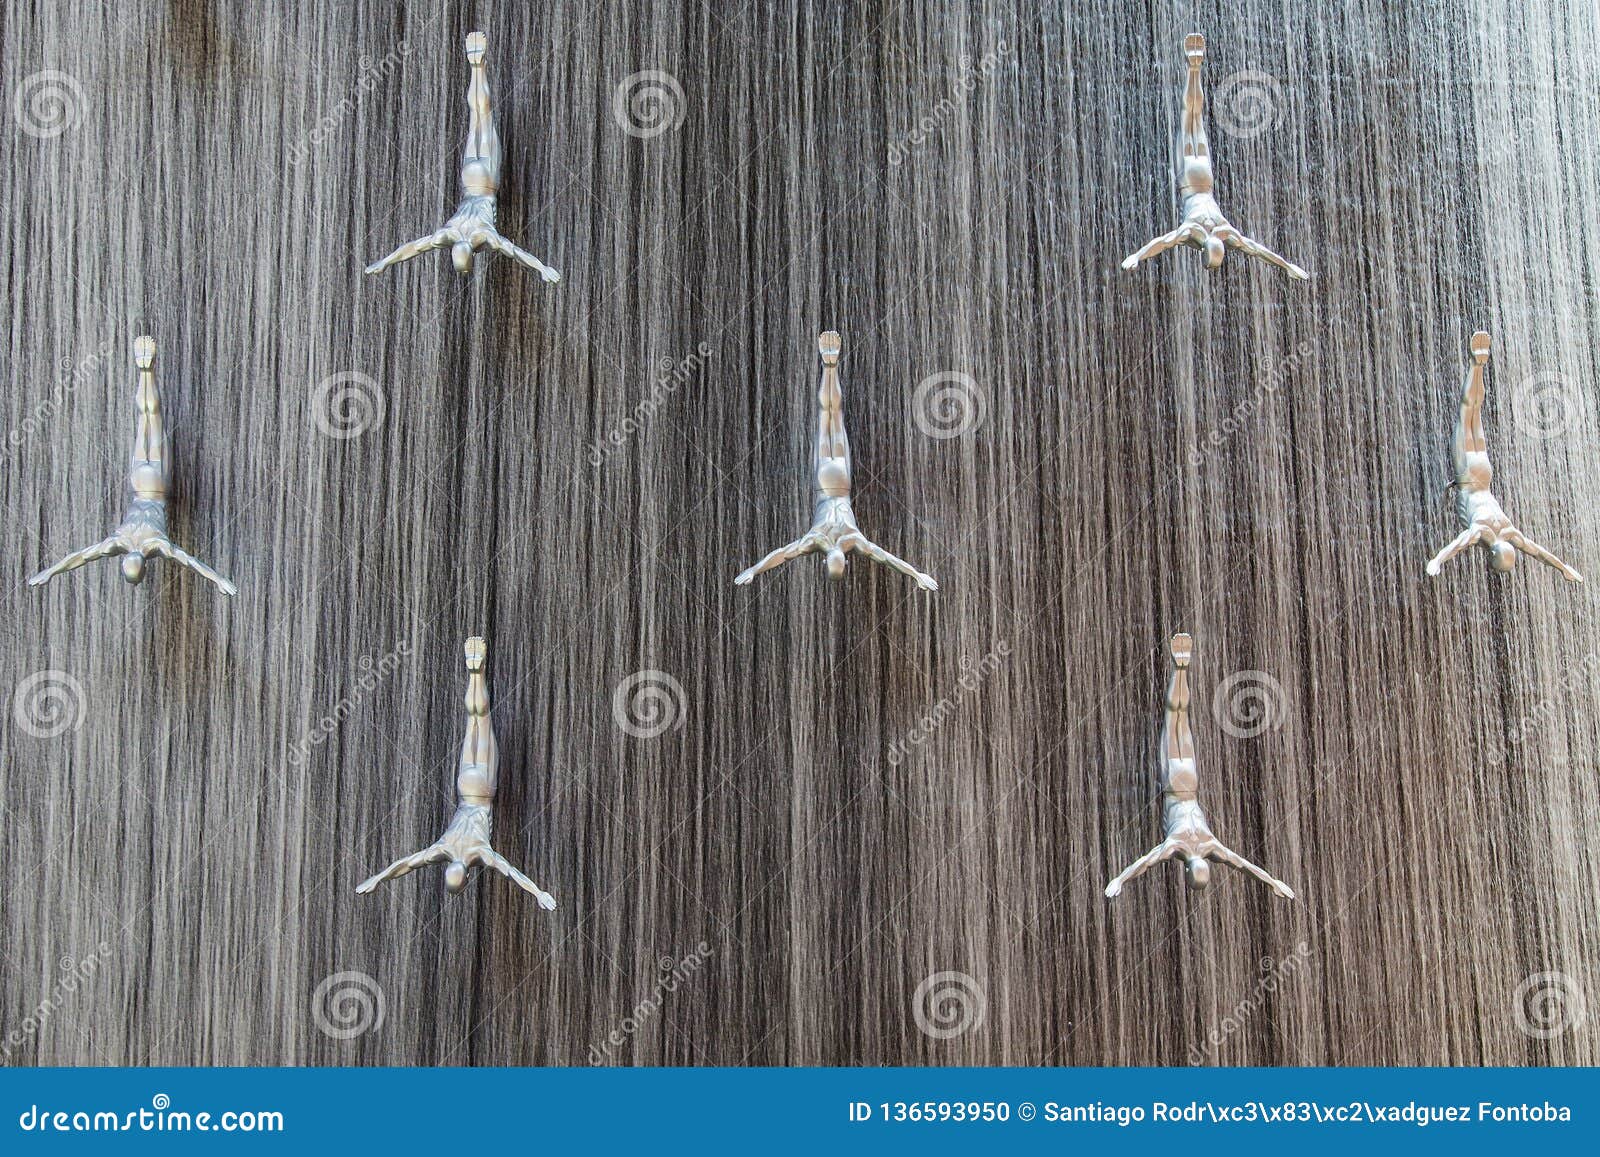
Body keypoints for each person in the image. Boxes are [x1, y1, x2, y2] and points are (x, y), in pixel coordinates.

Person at [357, 637, 557, 907]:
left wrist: (538, 893)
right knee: (472, 721)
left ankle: (478, 673)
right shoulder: (441, 849)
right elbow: (404, 864)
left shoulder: (480, 853)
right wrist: (377, 878)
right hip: (464, 785)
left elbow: (512, 872)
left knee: (482, 720)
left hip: (484, 789)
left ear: (465, 876)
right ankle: (473, 674)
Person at [28, 336, 236, 596]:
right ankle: (146, 371)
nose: (130, 561)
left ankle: (146, 371)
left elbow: (78, 558)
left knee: (149, 419)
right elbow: (191, 562)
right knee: (148, 418)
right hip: (150, 483)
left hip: (145, 484)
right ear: (138, 565)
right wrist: (218, 580)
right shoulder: (154, 545)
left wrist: (49, 572)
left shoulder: (123, 543)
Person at [735, 332, 937, 591]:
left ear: (831, 562)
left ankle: (830, 366)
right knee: (829, 416)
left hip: (837, 482)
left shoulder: (838, 541)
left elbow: (781, 554)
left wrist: (755, 569)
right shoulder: (835, 540)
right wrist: (916, 574)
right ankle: (829, 366)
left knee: (832, 416)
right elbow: (889, 560)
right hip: (830, 482)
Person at [1105, 634, 1295, 899]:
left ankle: (1181, 668)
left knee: (1181, 717)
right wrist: (1119, 880)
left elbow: (1244, 865)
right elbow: (1145, 863)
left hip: (1189, 781)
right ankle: (1179, 668)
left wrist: (1274, 882)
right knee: (1175, 717)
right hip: (1174, 783)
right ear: (1187, 870)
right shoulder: (1178, 845)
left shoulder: (1209, 844)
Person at [365, 32, 560, 281]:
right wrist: (384, 261)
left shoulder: (484, 236)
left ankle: (478, 68)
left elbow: (516, 253)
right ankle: (476, 69)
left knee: (484, 117)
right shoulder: (446, 234)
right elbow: (412, 247)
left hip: (488, 180)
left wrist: (542, 268)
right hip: (468, 177)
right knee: (476, 118)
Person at [1121, 34, 1308, 280]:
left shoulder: (1219, 231)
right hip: (1191, 180)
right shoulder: (1204, 230)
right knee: (1190, 117)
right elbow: (1257, 250)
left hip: (1202, 177)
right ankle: (1194, 68)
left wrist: (1287, 266)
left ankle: (1195, 68)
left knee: (1193, 116)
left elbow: (1257, 250)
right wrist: (1286, 267)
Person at [1427, 331, 1582, 581]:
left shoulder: (1511, 532)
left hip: (1484, 474)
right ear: (1493, 555)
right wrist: (1437, 560)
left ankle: (1478, 366)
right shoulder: (1482, 532)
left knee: (1475, 414)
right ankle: (1475, 365)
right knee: (1467, 413)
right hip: (1466, 474)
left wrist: (1564, 567)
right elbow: (1458, 544)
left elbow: (1537, 551)